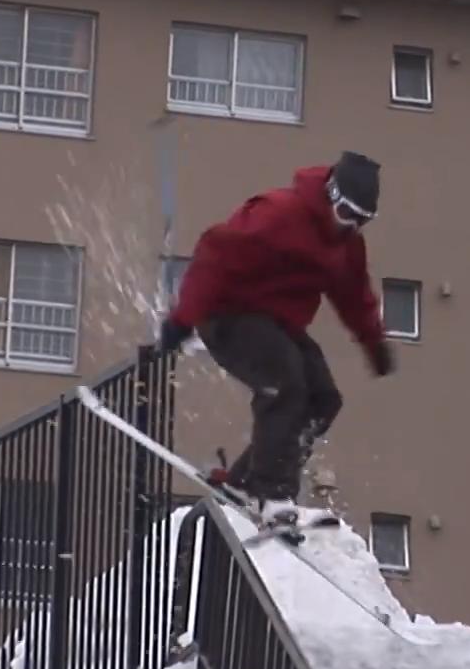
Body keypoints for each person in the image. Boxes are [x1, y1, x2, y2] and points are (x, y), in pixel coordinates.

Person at [157, 151, 395, 521]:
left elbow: (354, 296)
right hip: (228, 314)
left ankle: (244, 481)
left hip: (278, 324)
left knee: (323, 399)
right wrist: (183, 318)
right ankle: (272, 492)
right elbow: (214, 256)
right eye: (347, 215)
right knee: (286, 385)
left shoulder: (346, 245)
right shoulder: (279, 214)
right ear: (331, 196)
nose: (350, 227)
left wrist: (374, 342)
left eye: (361, 221)